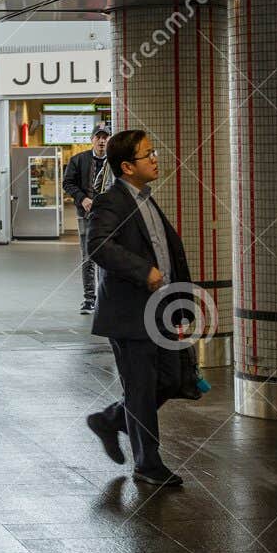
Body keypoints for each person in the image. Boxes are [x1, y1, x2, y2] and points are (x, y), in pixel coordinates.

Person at [83, 129, 193, 489]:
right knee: (142, 388)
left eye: (154, 151)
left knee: (173, 379)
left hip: (159, 309)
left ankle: (111, 419)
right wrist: (142, 270)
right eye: (148, 154)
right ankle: (148, 463)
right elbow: (98, 246)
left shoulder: (146, 198)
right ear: (127, 166)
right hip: (130, 314)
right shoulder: (111, 201)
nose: (155, 158)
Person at [62, 125, 114, 314]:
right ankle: (89, 299)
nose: (102, 141)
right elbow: (67, 183)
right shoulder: (78, 160)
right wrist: (82, 198)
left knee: (109, 256)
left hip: (109, 217)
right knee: (88, 257)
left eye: (105, 137)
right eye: (98, 137)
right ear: (92, 139)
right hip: (85, 215)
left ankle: (106, 298)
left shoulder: (115, 162)